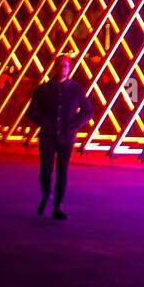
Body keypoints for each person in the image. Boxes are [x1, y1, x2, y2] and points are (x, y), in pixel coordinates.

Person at [27, 55, 94, 220]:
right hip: (48, 135)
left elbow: (88, 111)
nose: (62, 68)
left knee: (62, 171)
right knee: (46, 169)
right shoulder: (43, 89)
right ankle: (46, 194)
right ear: (55, 67)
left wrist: (73, 125)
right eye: (60, 65)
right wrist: (45, 122)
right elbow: (32, 111)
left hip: (66, 136)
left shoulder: (76, 89)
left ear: (69, 68)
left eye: (65, 66)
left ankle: (57, 205)